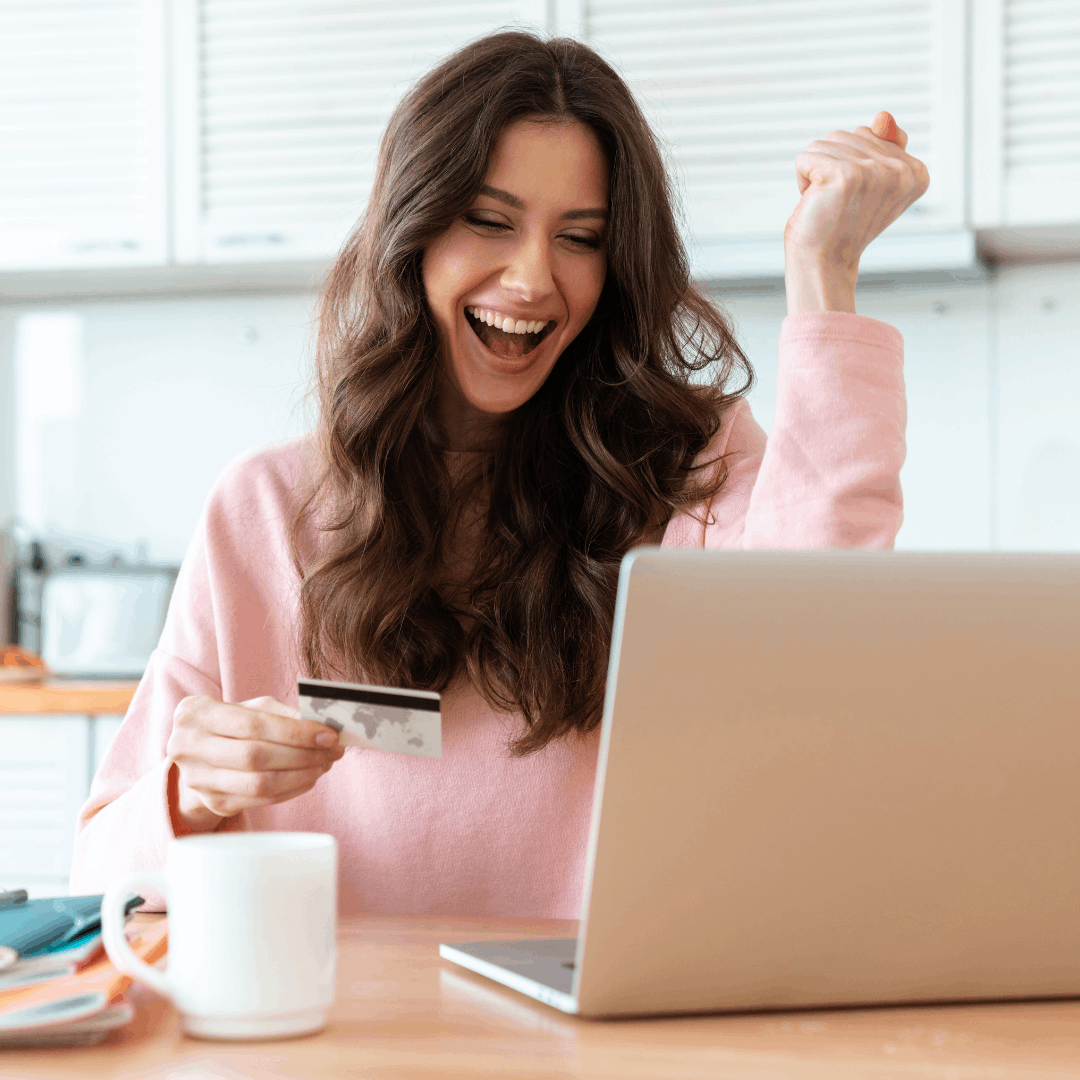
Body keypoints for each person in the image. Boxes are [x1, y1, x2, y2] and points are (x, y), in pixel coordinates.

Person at [70, 32, 928, 916]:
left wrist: (824, 272)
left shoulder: (686, 468)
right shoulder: (264, 508)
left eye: (580, 238)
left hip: (599, 1038)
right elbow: (101, 872)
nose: (531, 278)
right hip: (346, 1043)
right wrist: (193, 792)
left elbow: (822, 628)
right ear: (413, 229)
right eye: (488, 220)